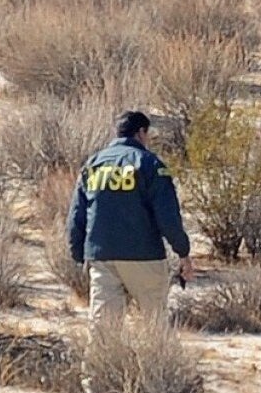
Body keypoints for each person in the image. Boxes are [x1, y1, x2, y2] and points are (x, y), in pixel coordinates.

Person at [67, 110, 193, 327]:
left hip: (102, 256)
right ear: (141, 133)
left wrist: (80, 255)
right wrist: (183, 252)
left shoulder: (93, 165)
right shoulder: (149, 164)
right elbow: (168, 217)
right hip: (144, 256)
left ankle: (99, 362)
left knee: (103, 329)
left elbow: (76, 216)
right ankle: (156, 361)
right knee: (154, 324)